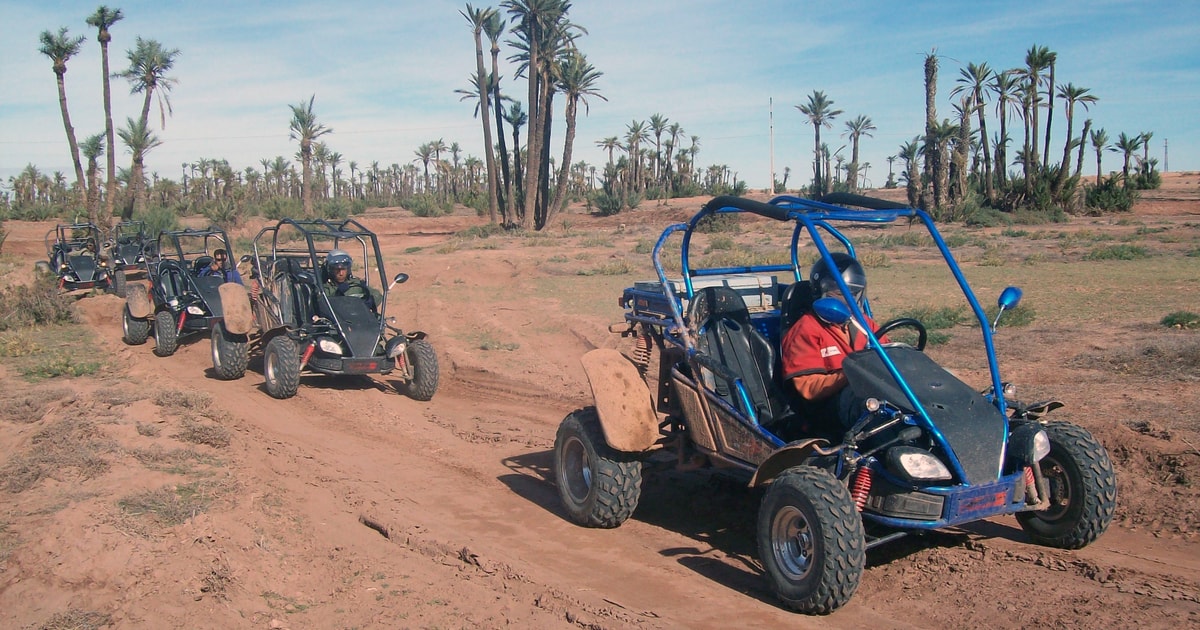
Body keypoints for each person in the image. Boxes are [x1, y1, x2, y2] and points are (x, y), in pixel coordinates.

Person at [780, 252, 888, 433]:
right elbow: (808, 388)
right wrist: (853, 374)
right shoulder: (806, 329)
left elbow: (888, 351)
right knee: (873, 406)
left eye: (854, 293)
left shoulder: (862, 323)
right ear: (820, 292)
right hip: (826, 409)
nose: (849, 299)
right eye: (840, 293)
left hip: (863, 392)